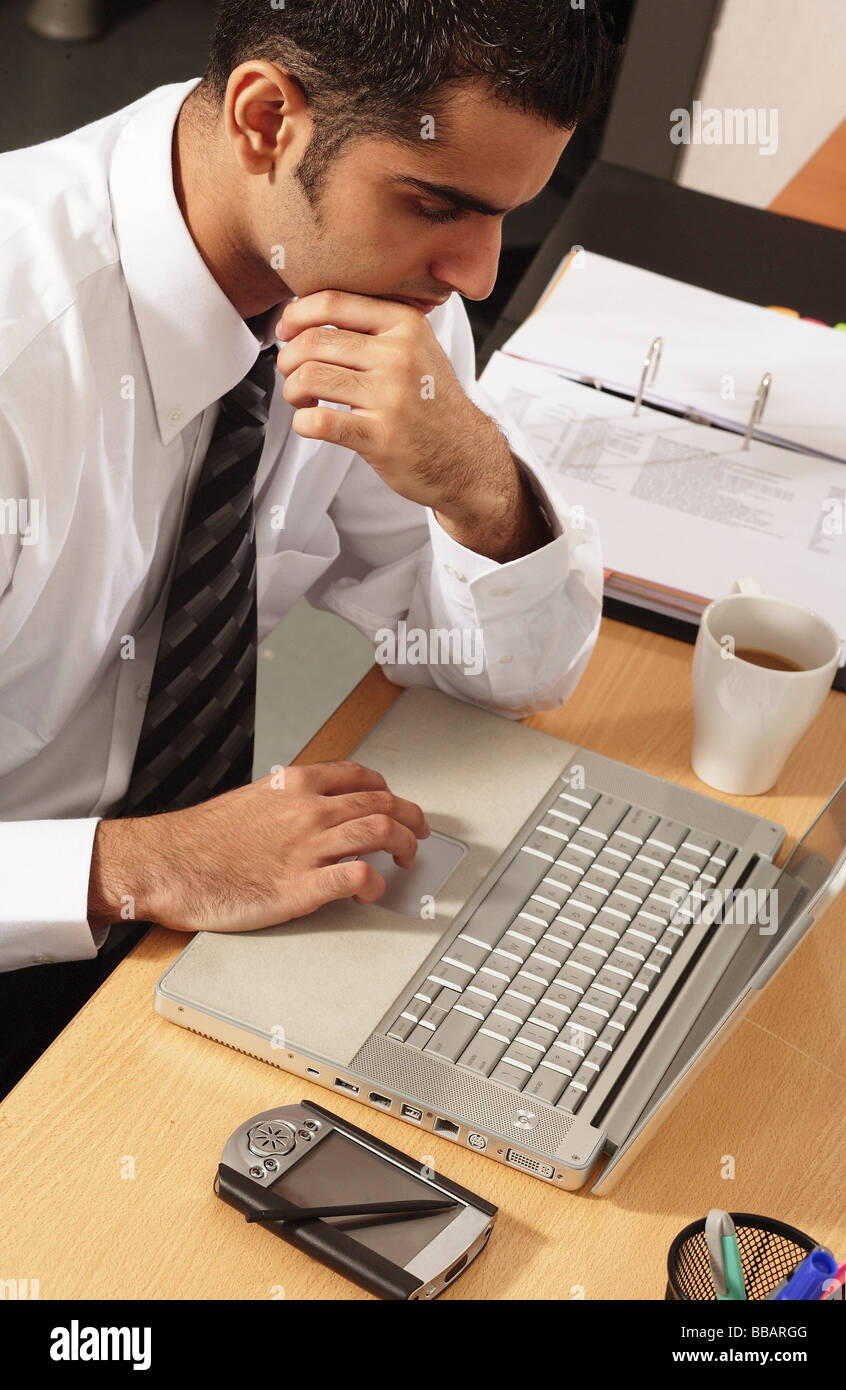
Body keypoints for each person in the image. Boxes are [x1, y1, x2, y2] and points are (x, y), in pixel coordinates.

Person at [0, 1, 615, 1079]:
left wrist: (478, 485)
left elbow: (496, 677)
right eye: (438, 204)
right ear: (263, 117)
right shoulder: (20, 361)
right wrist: (137, 863)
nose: (477, 272)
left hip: (187, 927)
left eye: (507, 216)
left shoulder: (375, 286)